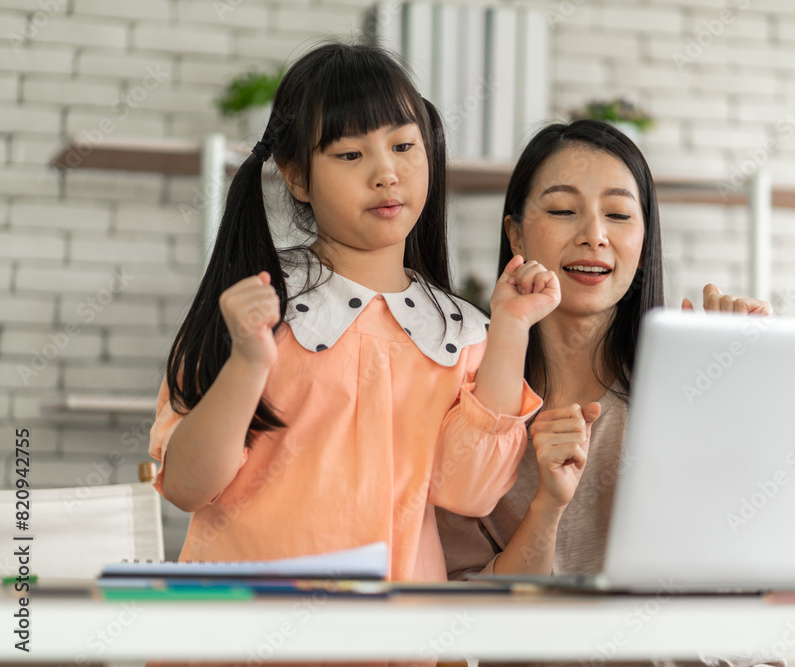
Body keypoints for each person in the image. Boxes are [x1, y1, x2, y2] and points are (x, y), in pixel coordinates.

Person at [147, 42, 560, 583]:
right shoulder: (256, 306)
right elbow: (185, 487)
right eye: (350, 155)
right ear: (296, 177)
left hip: (391, 639)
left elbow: (470, 492)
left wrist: (509, 328)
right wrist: (248, 362)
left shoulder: (459, 330)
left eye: (404, 146)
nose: (386, 173)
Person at [436, 119, 779, 667]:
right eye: (563, 209)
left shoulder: (687, 387)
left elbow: (747, 587)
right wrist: (548, 507)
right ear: (517, 235)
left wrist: (738, 402)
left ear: (643, 244)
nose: (594, 234)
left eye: (619, 215)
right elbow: (473, 622)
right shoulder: (473, 410)